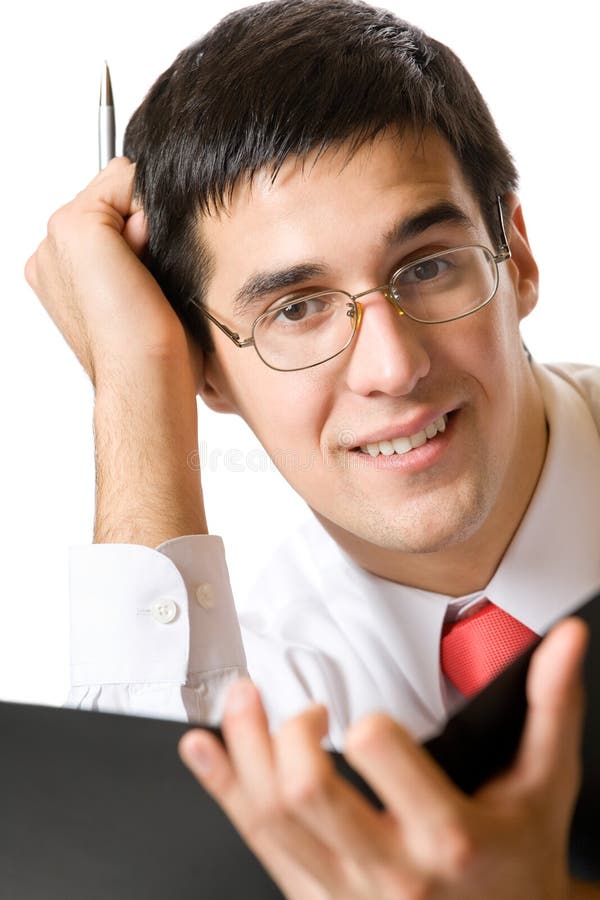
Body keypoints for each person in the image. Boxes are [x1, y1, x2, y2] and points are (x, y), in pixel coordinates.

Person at [25, 0, 600, 895]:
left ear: (516, 259)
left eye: (429, 265)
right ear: (206, 370)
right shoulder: (260, 702)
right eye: (295, 309)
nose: (392, 366)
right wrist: (134, 383)